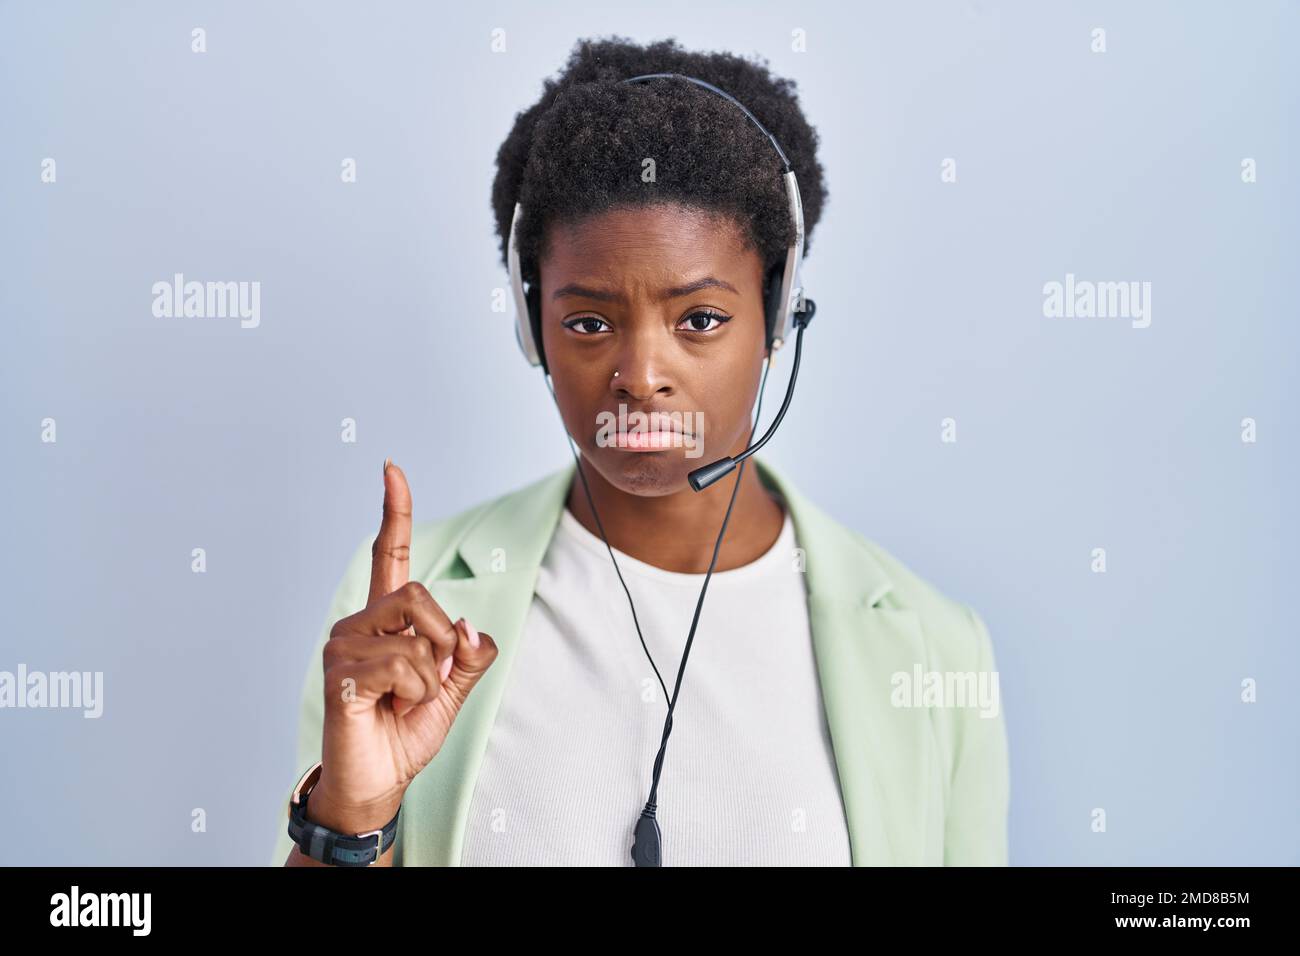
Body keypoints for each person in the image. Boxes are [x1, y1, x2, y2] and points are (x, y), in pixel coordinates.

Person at [274, 36, 1009, 867]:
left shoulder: (937, 651)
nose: (640, 376)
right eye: (589, 322)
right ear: (532, 328)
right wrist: (350, 817)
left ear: (776, 315)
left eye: (699, 319)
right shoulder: (407, 612)